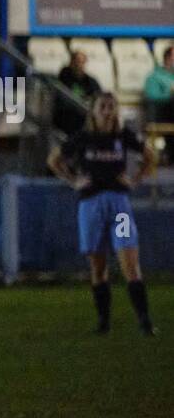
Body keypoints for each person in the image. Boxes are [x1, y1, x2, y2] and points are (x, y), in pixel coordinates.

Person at [47, 92, 157, 336]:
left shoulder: (123, 136)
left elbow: (150, 156)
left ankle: (144, 321)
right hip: (91, 203)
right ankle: (103, 322)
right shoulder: (84, 138)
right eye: (102, 106)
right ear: (93, 111)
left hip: (119, 205)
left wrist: (135, 179)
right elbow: (54, 159)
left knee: (130, 261)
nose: (107, 110)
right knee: (98, 266)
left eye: (111, 106)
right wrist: (74, 180)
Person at [54, 51, 100, 136]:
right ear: (71, 62)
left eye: (83, 62)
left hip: (83, 118)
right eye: (78, 62)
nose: (80, 65)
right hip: (66, 118)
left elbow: (98, 96)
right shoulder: (64, 78)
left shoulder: (90, 81)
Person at [142, 45, 174, 123]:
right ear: (167, 59)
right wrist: (170, 93)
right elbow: (152, 97)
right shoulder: (154, 77)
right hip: (162, 113)